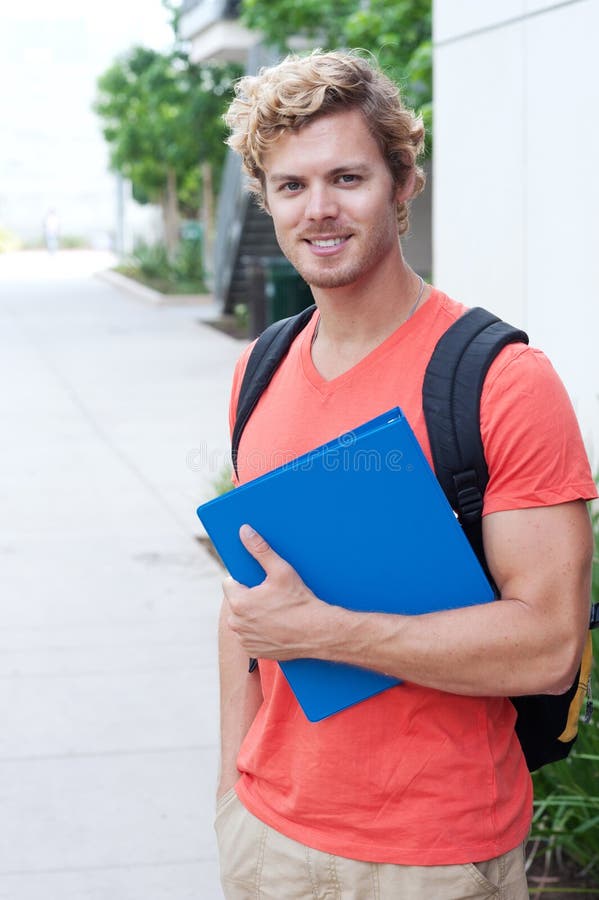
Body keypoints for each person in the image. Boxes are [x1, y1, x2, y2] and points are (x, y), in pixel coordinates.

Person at [215, 50, 597, 899]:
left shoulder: (499, 381)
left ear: (402, 183)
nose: (318, 209)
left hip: (433, 856)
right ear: (267, 199)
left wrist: (325, 633)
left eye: (346, 178)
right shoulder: (258, 369)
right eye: (290, 185)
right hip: (267, 837)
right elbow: (247, 607)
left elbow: (548, 646)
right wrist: (229, 786)